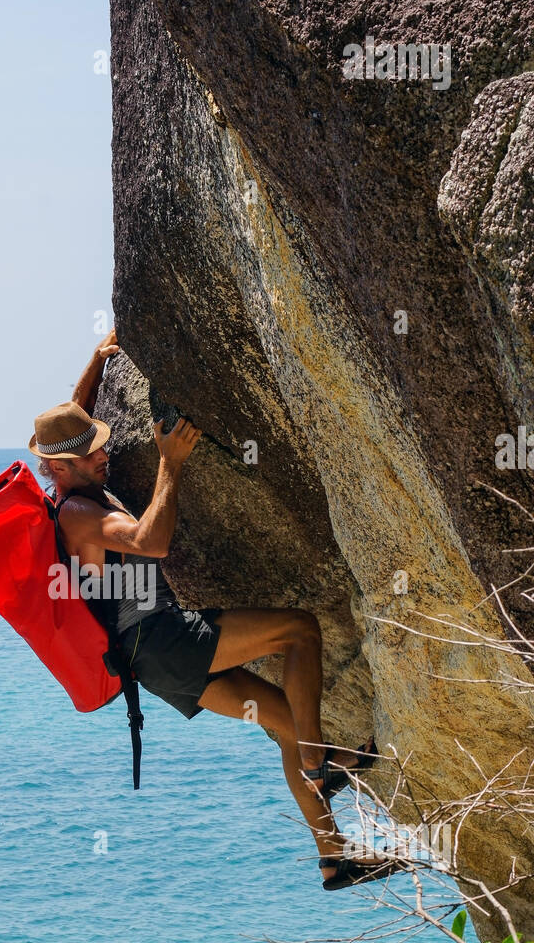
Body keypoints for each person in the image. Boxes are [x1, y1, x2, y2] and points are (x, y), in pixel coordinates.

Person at [29, 330, 400, 892]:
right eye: (90, 454)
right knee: (299, 632)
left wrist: (97, 361)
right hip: (161, 636)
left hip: (148, 662)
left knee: (280, 717)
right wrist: (169, 462)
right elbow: (151, 543)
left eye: (98, 445)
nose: (103, 454)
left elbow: (71, 418)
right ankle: (320, 759)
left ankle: (335, 857)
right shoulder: (77, 513)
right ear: (59, 469)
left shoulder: (69, 477)